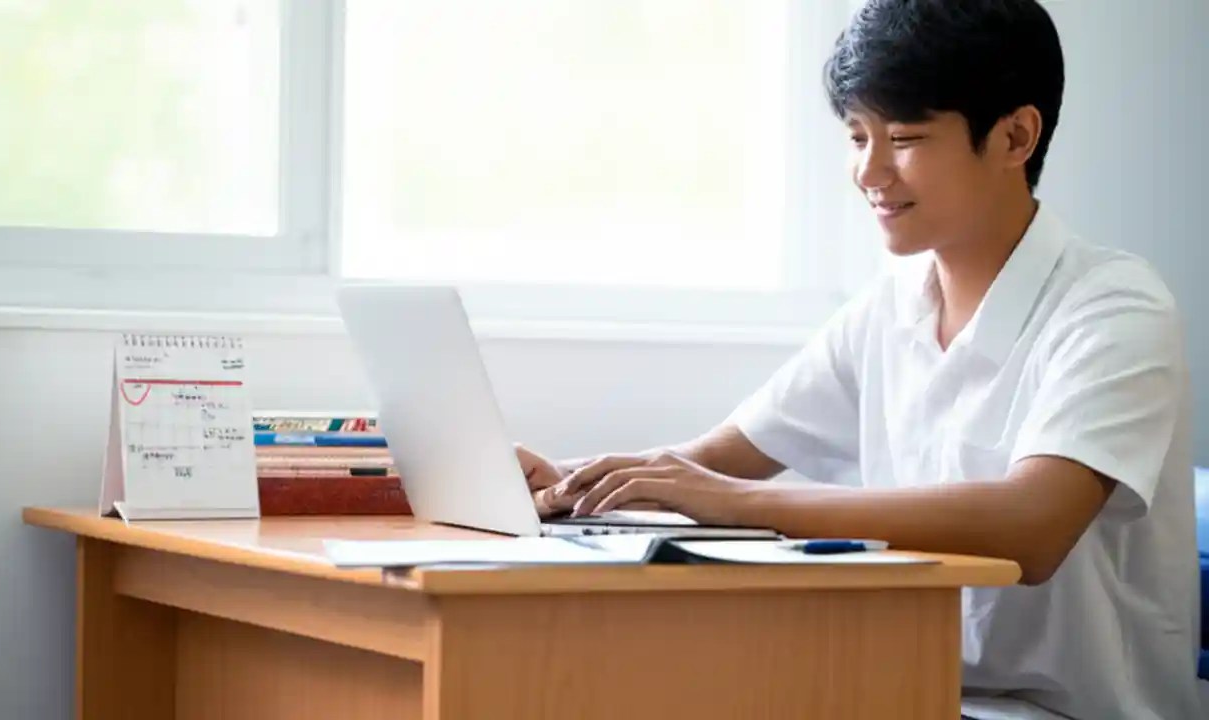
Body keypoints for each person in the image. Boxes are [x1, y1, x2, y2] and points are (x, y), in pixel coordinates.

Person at [514, 1, 1201, 718]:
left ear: (1015, 136)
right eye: (856, 136)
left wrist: (739, 506)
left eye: (903, 138)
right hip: (905, 690)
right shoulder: (892, 306)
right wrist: (568, 482)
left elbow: (1030, 525)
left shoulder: (1114, 308)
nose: (870, 171)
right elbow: (716, 461)